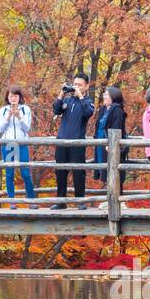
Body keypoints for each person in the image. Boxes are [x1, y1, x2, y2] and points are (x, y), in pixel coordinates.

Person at [52, 72, 95, 209]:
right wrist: (62, 93)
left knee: (78, 172)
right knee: (60, 172)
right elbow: (57, 110)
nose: (76, 87)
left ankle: (80, 202)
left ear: (86, 86)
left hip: (77, 142)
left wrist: (80, 96)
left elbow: (87, 113)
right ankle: (61, 201)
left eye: (80, 85)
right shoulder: (68, 100)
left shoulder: (88, 102)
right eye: (75, 84)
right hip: (62, 141)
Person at [0, 86, 34, 206]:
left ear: (20, 97)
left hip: (22, 144)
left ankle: (32, 201)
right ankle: (12, 202)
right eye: (11, 96)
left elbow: (27, 128)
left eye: (16, 96)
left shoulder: (25, 109)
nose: (14, 98)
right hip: (8, 144)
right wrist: (8, 117)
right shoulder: (3, 110)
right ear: (7, 97)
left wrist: (18, 117)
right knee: (9, 173)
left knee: (25, 173)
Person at [92, 86, 128, 205]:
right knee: (106, 171)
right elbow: (99, 125)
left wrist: (110, 143)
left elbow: (116, 127)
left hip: (111, 144)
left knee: (115, 170)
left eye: (106, 94)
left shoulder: (117, 109)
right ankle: (110, 198)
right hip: (101, 143)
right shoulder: (103, 109)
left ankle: (118, 200)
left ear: (113, 96)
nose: (104, 96)